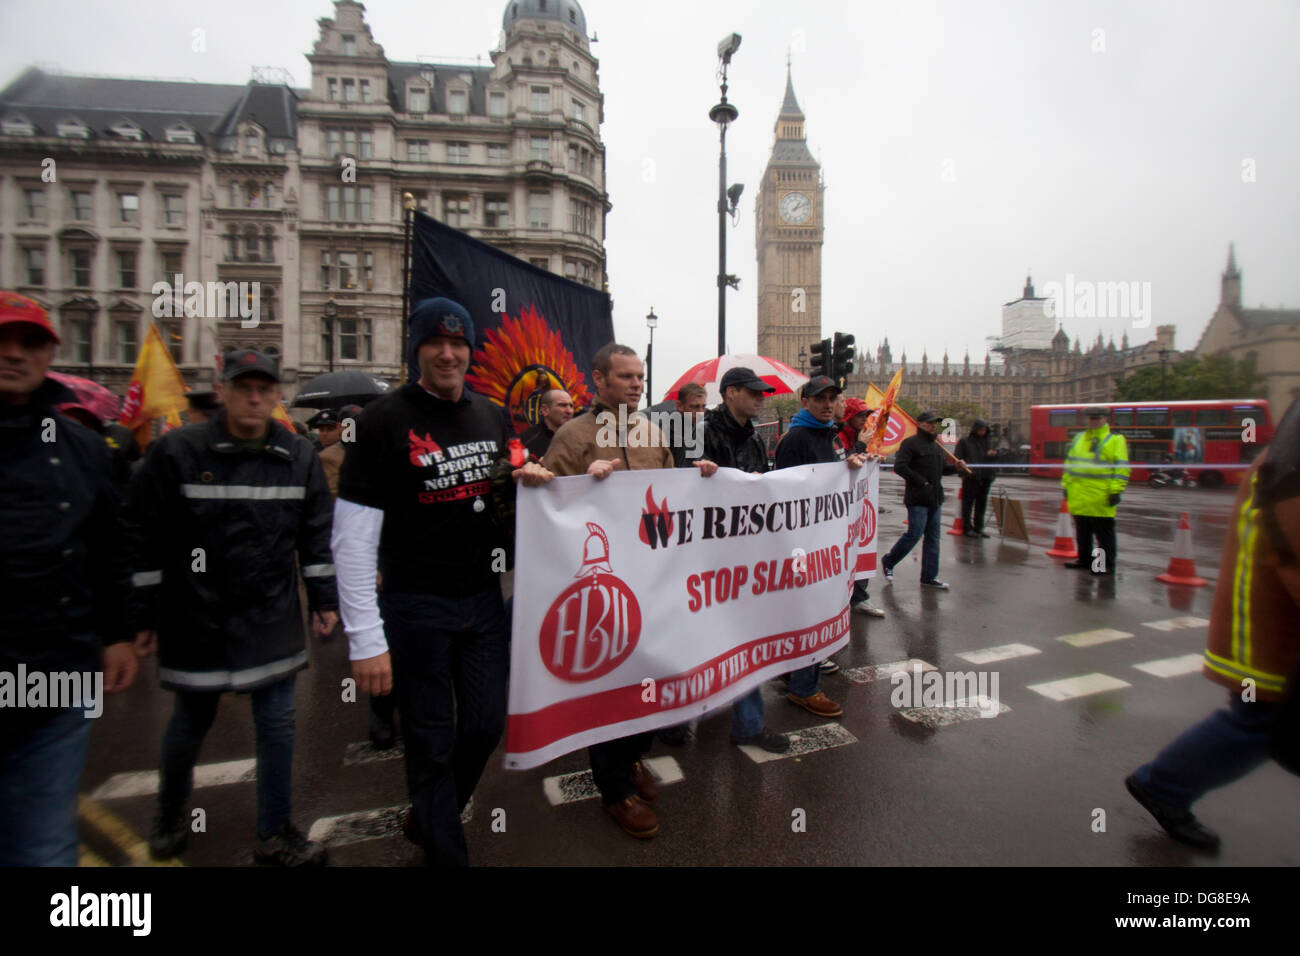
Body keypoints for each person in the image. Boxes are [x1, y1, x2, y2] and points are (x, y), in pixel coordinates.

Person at [331, 297, 550, 867]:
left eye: (458, 344)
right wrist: (365, 638)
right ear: (417, 350)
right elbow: (351, 537)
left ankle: (427, 813)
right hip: (413, 605)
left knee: (482, 726)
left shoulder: (489, 413)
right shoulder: (377, 423)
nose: (449, 354)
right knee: (429, 744)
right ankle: (444, 846)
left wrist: (531, 482)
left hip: (480, 598)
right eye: (436, 344)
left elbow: (503, 494)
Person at [123, 348, 338, 866]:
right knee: (189, 723)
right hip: (196, 613)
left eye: (265, 388)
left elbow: (314, 533)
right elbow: (142, 531)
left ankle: (275, 833)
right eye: (244, 387)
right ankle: (170, 816)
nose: (256, 397)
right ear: (223, 391)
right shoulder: (178, 450)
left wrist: (324, 600)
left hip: (269, 612)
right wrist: (142, 613)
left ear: (277, 395)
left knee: (279, 724)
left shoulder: (298, 454)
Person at [544, 343, 717, 839]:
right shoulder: (573, 435)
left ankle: (634, 755)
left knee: (652, 678)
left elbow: (669, 498)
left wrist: (700, 479)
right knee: (612, 687)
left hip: (653, 579)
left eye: (639, 377)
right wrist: (580, 484)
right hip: (603, 586)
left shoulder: (653, 431)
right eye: (624, 377)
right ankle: (615, 788)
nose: (636, 385)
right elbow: (542, 506)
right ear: (597, 381)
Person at [0, 293, 138, 866]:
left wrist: (119, 633)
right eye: (2, 340)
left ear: (49, 352)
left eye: (29, 342)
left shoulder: (80, 445)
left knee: (44, 844)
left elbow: (106, 547)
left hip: (58, 670)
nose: (13, 353)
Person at [1125, 400, 1300, 850]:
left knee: (1257, 720)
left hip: (1269, 621)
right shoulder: (1289, 467)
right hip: (1270, 622)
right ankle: (1163, 784)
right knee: (1257, 720)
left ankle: (1163, 785)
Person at [700, 367, 790, 753]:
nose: (761, 398)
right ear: (730, 392)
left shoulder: (754, 438)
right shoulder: (700, 433)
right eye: (753, 392)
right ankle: (679, 712)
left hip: (745, 554)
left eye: (763, 393)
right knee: (702, 638)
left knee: (746, 637)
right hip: (706, 557)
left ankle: (748, 723)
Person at [772, 375, 869, 712]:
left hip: (824, 539)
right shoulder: (796, 438)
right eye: (820, 399)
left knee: (809, 610)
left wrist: (852, 466)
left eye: (832, 398)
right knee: (809, 612)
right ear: (805, 403)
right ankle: (804, 687)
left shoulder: (831, 435)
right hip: (803, 543)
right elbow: (783, 492)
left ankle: (792, 672)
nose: (828, 404)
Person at [880, 410, 969, 590]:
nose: (932, 426)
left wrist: (958, 468)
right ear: (919, 424)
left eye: (934, 423)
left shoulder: (937, 446)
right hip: (918, 498)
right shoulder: (910, 444)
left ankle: (929, 577)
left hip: (935, 498)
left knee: (933, 539)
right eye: (929, 423)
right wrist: (921, 482)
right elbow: (900, 467)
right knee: (914, 534)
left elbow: (942, 469)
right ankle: (889, 561)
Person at [1062, 406, 1129, 574]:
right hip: (1079, 494)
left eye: (1097, 418)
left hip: (1101, 496)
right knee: (1082, 532)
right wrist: (1065, 485)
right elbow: (1069, 465)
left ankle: (1102, 565)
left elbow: (1121, 469)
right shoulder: (1078, 438)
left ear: (1105, 419)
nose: (1094, 421)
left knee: (1103, 535)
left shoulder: (1115, 440)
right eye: (1091, 418)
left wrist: (1116, 490)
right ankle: (1084, 560)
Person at [837, 398, 885, 617]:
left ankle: (859, 596)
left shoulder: (861, 437)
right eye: (861, 416)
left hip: (855, 506)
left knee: (861, 546)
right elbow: (842, 465)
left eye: (867, 416)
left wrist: (870, 459)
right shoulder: (839, 437)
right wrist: (860, 447)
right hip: (840, 508)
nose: (865, 420)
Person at [955, 418, 997, 538]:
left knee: (981, 504)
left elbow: (993, 460)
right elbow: (958, 457)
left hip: (985, 478)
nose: (983, 432)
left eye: (985, 430)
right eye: (981, 430)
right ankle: (967, 528)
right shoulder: (965, 442)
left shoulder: (988, 442)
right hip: (971, 478)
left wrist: (994, 455)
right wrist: (964, 471)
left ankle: (979, 528)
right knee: (968, 504)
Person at [519, 388, 574, 460]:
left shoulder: (579, 438)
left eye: (571, 406)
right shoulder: (527, 440)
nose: (569, 411)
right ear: (545, 410)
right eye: (562, 405)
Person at [666, 382, 707, 467]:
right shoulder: (668, 433)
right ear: (679, 406)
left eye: (703, 407)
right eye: (695, 407)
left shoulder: (702, 429)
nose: (701, 412)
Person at [309, 408, 346, 496]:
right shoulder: (312, 450)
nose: (324, 433)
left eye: (330, 429)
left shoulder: (345, 451)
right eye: (321, 430)